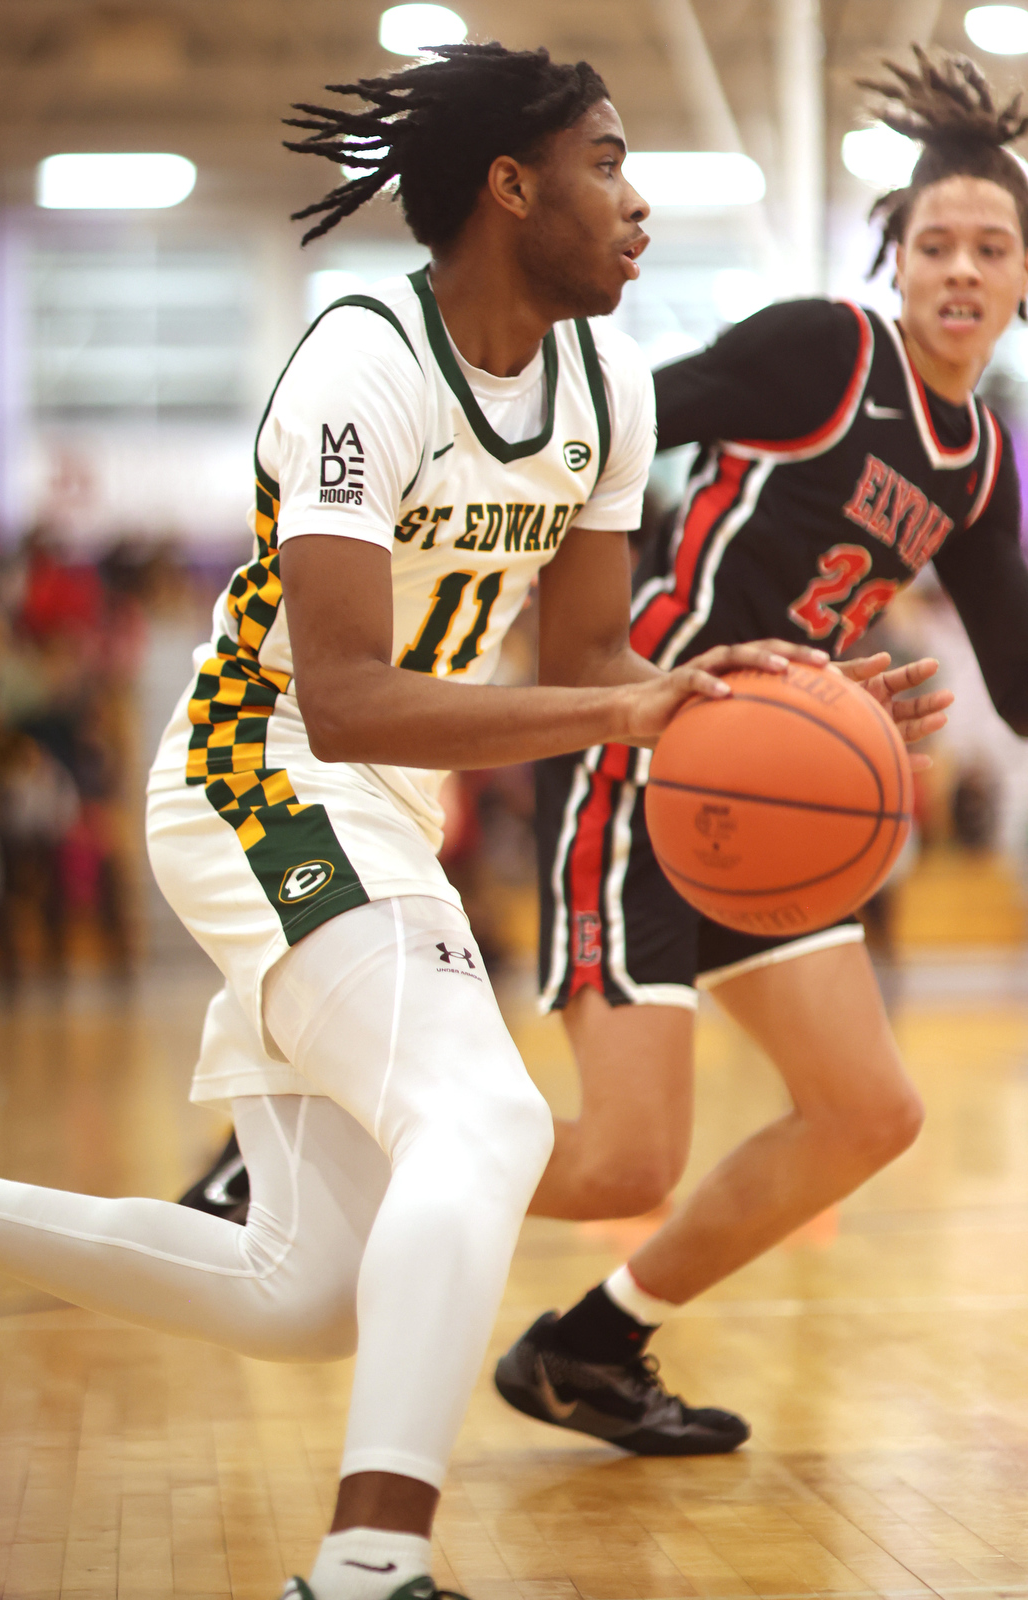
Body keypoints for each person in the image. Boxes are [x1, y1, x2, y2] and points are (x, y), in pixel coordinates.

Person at [0, 44, 930, 1600]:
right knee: (494, 1118)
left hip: (391, 805)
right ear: (510, 188)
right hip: (256, 770)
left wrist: (773, 709)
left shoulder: (603, 381)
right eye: (605, 161)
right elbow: (338, 696)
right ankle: (369, 1568)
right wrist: (615, 713)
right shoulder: (360, 366)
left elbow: (591, 663)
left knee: (299, 1293)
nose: (636, 200)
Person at [492, 47, 1028, 1452]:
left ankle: (590, 1350)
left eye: (990, 247)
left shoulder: (974, 458)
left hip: (773, 793)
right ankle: (318, 1159)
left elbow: (1019, 688)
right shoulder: (819, 354)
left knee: (866, 1111)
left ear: (1022, 275)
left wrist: (839, 701)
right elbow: (609, 430)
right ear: (894, 258)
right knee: (625, 1158)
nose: (959, 271)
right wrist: (601, 654)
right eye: (934, 244)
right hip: (643, 759)